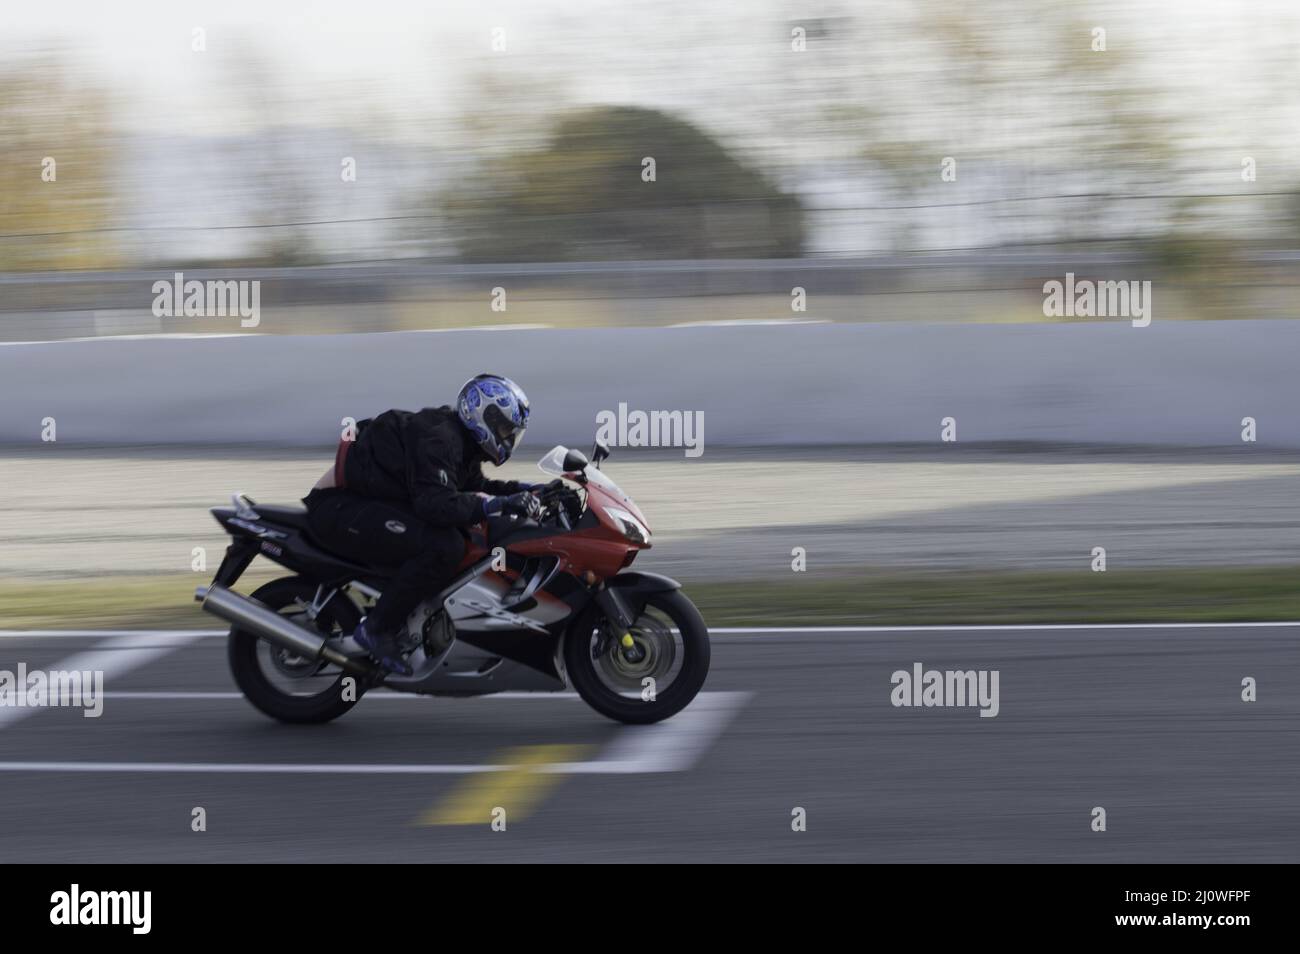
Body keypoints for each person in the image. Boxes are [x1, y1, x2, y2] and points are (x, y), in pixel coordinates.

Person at [303, 374, 541, 675]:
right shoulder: (440, 438)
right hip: (340, 507)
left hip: (363, 503)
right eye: (505, 429)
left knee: (461, 535)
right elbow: (435, 504)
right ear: (484, 416)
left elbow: (474, 486)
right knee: (444, 546)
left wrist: (528, 490)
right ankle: (376, 629)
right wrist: (496, 505)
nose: (508, 438)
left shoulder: (461, 442)